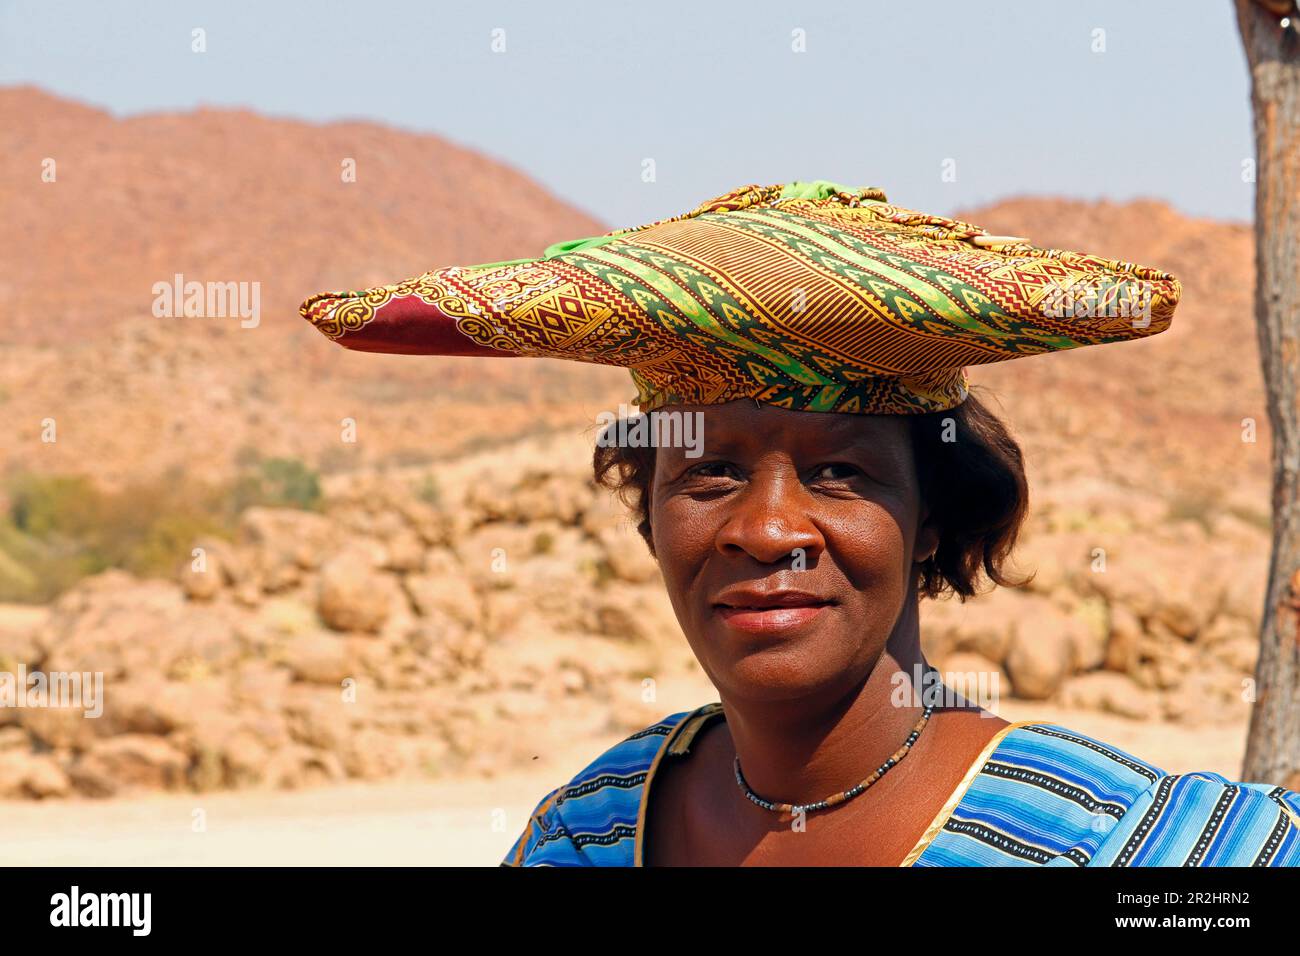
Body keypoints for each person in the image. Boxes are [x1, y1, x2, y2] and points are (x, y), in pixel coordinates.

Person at [301, 180, 1300, 866]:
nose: (768, 526)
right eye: (710, 473)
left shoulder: (1123, 840)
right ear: (650, 514)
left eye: (836, 472)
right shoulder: (589, 832)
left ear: (926, 518)